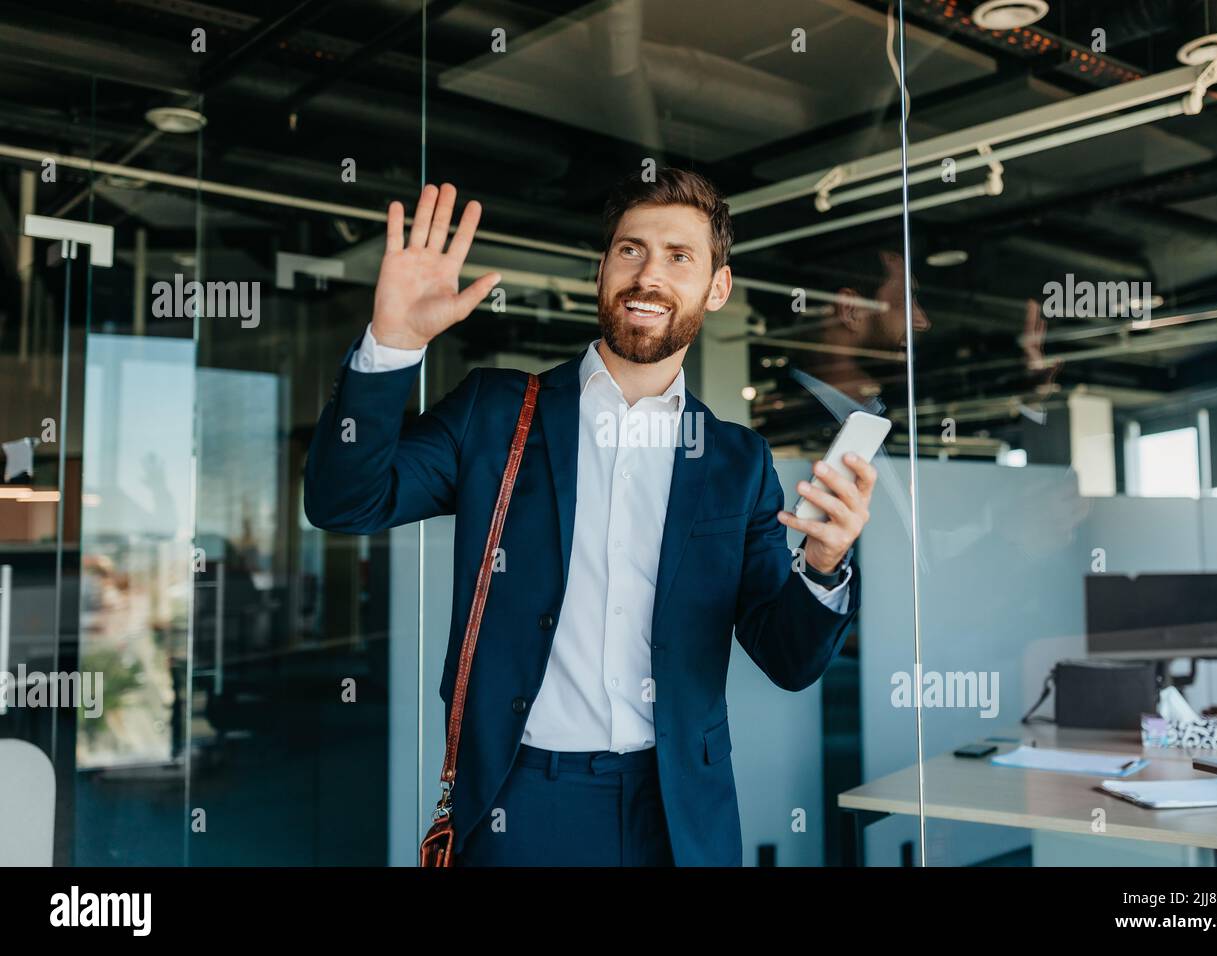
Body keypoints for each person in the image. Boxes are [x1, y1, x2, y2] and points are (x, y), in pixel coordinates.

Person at [304, 168, 878, 866]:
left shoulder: (737, 461)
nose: (648, 275)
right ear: (602, 268)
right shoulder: (496, 414)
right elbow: (343, 500)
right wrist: (392, 345)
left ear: (716, 288)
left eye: (679, 256)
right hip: (520, 803)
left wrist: (823, 566)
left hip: (675, 814)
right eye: (630, 250)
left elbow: (787, 659)